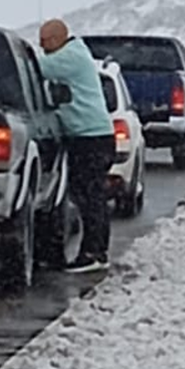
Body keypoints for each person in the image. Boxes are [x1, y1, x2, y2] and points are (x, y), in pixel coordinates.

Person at [38, 18, 115, 273]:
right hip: (87, 136)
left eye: (45, 41)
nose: (42, 46)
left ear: (59, 38)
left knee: (91, 197)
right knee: (86, 196)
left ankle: (94, 252)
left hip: (91, 138)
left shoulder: (70, 57)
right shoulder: (71, 55)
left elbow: (36, 68)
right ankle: (92, 250)